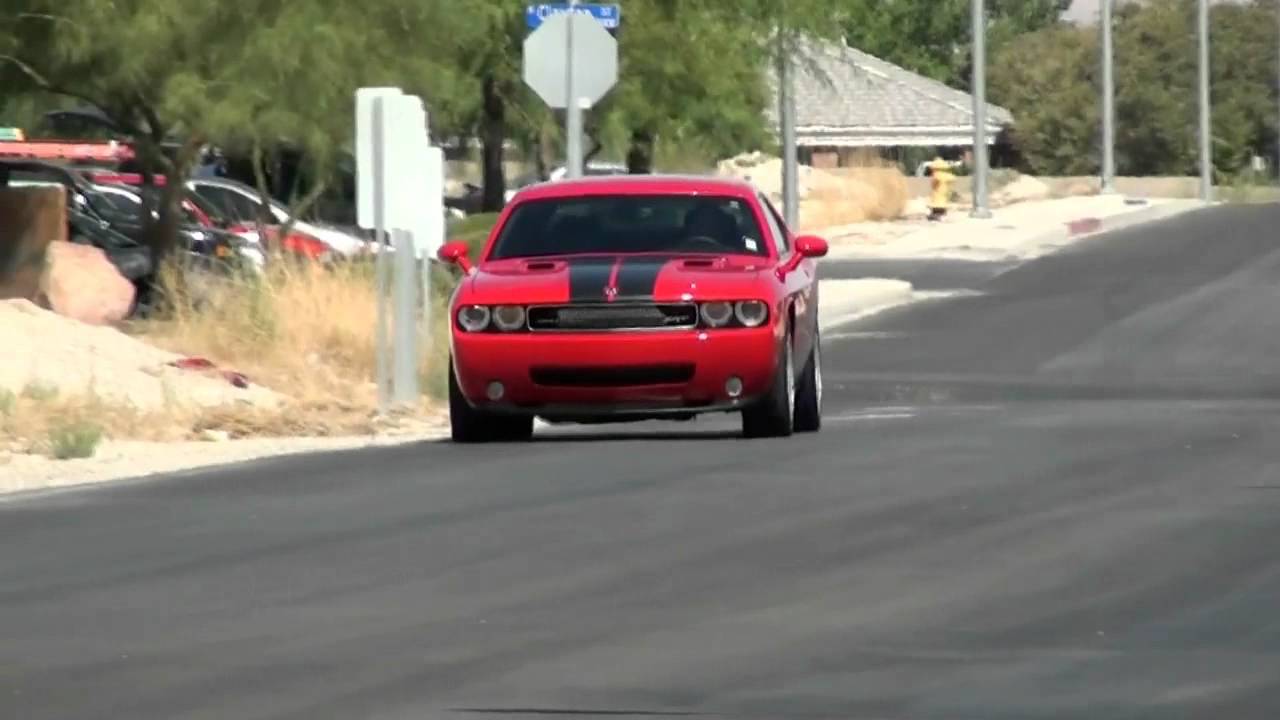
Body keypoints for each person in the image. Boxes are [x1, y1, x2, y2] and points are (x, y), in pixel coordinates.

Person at [925, 156, 954, 222]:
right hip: (944, 194)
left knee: (936, 205)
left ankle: (937, 216)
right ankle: (941, 214)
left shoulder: (936, 175)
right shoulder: (946, 175)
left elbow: (934, 182)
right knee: (942, 205)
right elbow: (952, 178)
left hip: (937, 194)